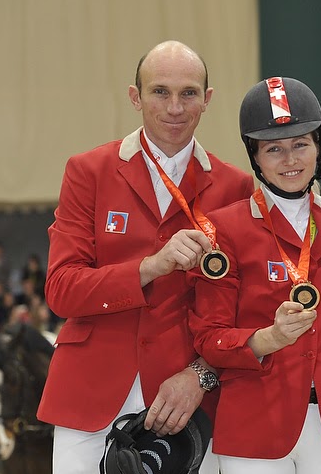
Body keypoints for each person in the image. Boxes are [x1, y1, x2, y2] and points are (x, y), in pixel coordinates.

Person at [39, 40, 254, 473]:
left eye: (188, 93)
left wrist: (201, 375)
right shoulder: (88, 172)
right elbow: (61, 291)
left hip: (185, 400)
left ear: (207, 101)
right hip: (89, 395)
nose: (175, 107)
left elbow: (245, 311)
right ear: (135, 97)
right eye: (160, 91)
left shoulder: (236, 188)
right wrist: (151, 267)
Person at [189, 77, 321, 473]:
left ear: (319, 147)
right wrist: (269, 338)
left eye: (301, 144)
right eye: (274, 150)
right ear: (255, 157)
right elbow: (209, 337)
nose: (290, 160)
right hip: (254, 421)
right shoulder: (222, 229)